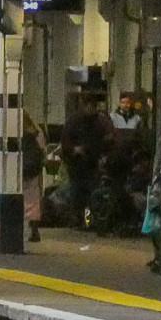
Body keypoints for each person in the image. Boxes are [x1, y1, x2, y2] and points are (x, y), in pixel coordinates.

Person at [58, 94, 113, 231]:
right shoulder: (76, 121)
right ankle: (79, 220)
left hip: (90, 163)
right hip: (78, 164)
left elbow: (109, 138)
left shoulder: (99, 121)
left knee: (88, 195)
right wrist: (74, 150)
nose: (91, 109)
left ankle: (86, 221)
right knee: (78, 194)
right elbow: (65, 142)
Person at [22, 113, 47, 242]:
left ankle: (23, 228)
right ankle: (34, 229)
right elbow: (42, 153)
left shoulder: (19, 134)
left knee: (21, 200)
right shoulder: (38, 132)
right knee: (33, 201)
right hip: (34, 171)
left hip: (22, 171)